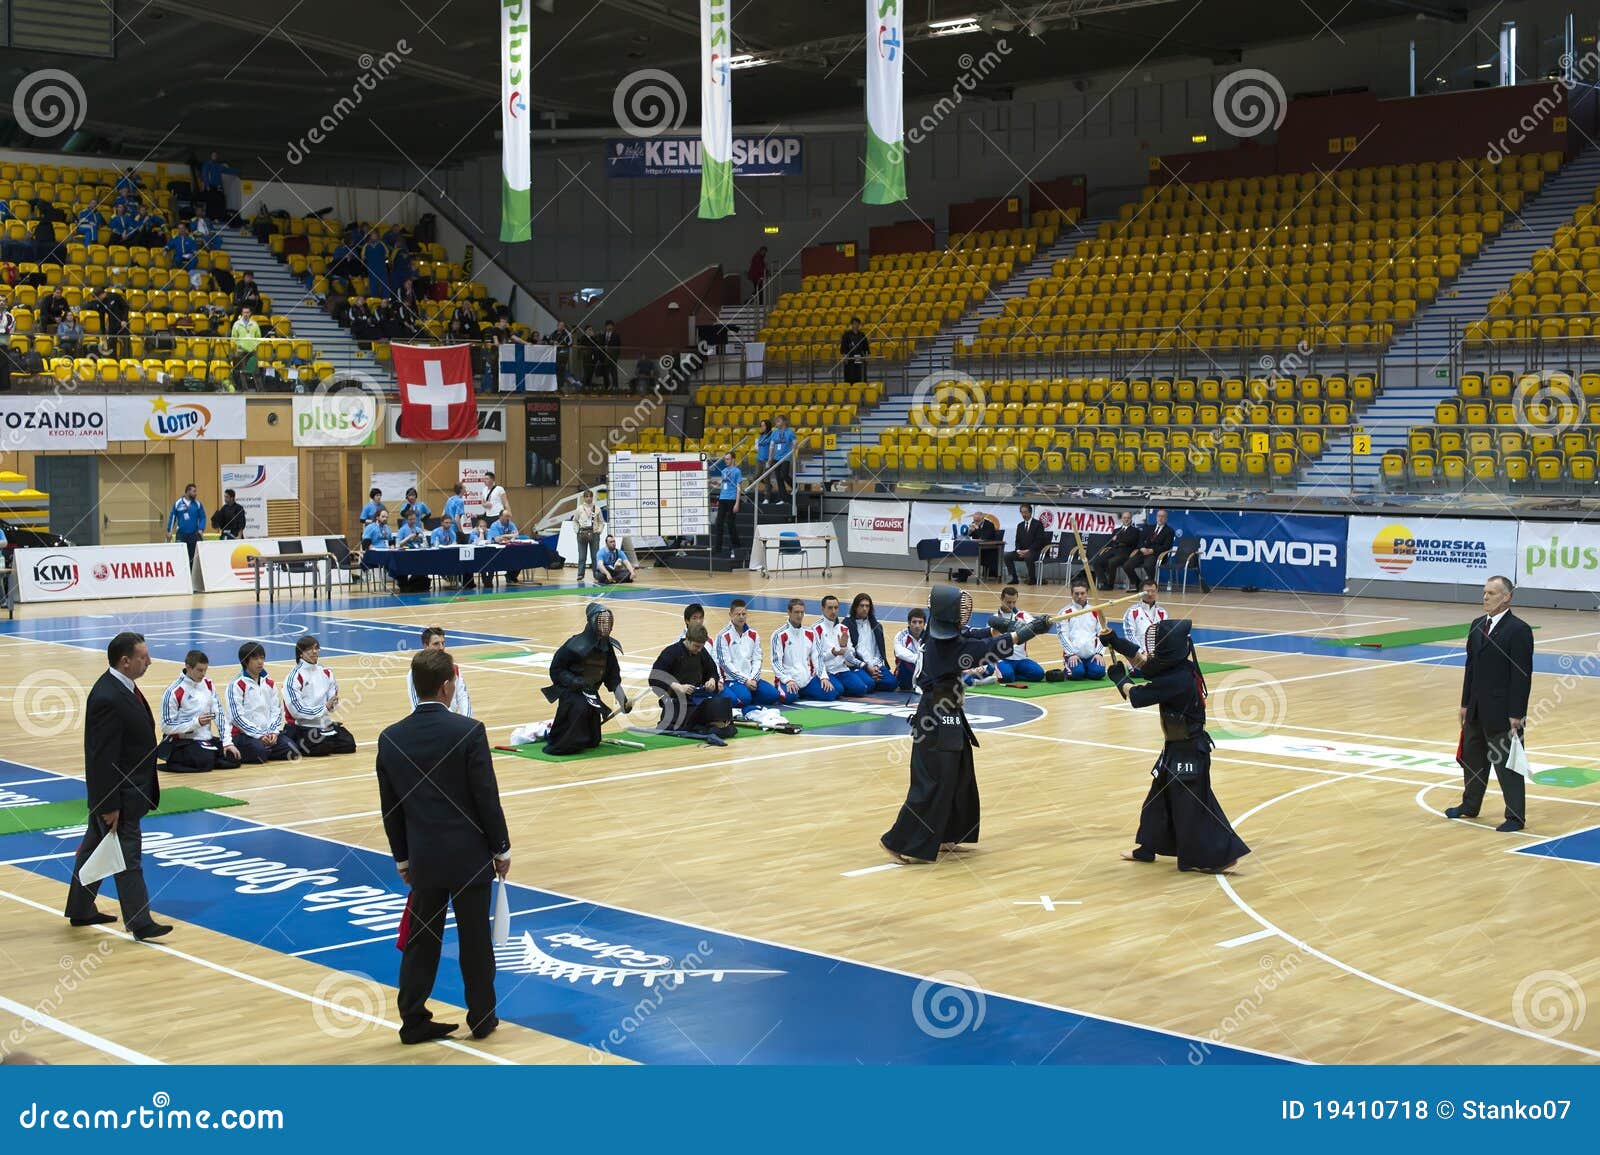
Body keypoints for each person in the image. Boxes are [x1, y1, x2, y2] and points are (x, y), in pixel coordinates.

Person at [378, 647, 510, 1044]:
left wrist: (402, 857)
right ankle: (482, 1018)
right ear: (447, 685)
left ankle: (413, 1019)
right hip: (469, 857)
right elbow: (486, 796)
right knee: (475, 942)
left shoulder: (391, 738)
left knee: (421, 942)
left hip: (423, 857)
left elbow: (391, 808)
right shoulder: (469, 731)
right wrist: (500, 849)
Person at [880, 588, 1054, 864]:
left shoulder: (937, 634)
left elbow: (975, 635)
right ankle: (897, 841)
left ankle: (946, 835)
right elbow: (986, 649)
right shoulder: (949, 646)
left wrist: (1005, 625)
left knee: (959, 775)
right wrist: (1026, 632)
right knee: (934, 781)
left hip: (949, 712)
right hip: (936, 717)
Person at [1104, 619, 1249, 874]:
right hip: (1176, 747)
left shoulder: (1177, 679)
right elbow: (1146, 666)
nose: (1152, 652)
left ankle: (1217, 857)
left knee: (1194, 807)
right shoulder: (1180, 666)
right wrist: (1116, 642)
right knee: (1157, 800)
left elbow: (1138, 697)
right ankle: (1146, 849)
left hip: (1189, 751)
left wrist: (1120, 679)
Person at [63, 632, 173, 941]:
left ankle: (80, 908)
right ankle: (140, 922)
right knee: (128, 857)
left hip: (127, 790)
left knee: (92, 849)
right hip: (119, 796)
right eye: (143, 657)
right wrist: (108, 805)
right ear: (125, 661)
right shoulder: (108, 697)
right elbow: (101, 759)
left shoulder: (122, 687)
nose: (149, 661)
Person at [1447, 575, 1535, 832]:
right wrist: (1464, 703)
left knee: (1508, 765)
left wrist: (1517, 713)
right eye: (1484, 592)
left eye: (1492, 593)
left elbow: (1522, 674)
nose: (1485, 597)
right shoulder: (1476, 626)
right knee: (1473, 761)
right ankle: (1470, 806)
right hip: (1475, 708)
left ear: (1506, 597)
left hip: (1502, 711)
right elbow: (1470, 667)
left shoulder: (1518, 630)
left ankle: (1515, 817)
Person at [540, 603, 632, 755]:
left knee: (593, 740)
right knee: (580, 707)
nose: (605, 626)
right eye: (601, 622)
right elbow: (556, 669)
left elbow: (613, 676)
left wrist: (622, 700)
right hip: (571, 692)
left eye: (608, 623)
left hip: (591, 693)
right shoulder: (574, 644)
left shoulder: (608, 647)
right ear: (592, 622)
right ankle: (565, 741)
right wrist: (574, 681)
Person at [160, 649, 242, 772]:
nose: (203, 674)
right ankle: (175, 759)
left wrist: (227, 742)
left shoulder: (208, 684)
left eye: (205, 670)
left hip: (205, 738)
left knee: (233, 757)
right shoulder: (174, 691)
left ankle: (208, 755)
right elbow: (166, 726)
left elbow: (219, 713)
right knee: (205, 760)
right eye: (199, 670)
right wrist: (196, 723)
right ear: (188, 667)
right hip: (183, 741)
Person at [651, 624, 737, 739]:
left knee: (723, 705)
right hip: (676, 701)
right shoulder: (671, 652)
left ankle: (714, 725)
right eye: (696, 646)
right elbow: (655, 676)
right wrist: (677, 686)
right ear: (688, 640)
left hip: (696, 698)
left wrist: (712, 680)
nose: (699, 650)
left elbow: (712, 671)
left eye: (701, 647)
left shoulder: (701, 652)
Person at [284, 636, 358, 757]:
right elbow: (297, 711)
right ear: (301, 654)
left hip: (324, 724)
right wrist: (324, 708)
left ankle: (322, 740)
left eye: (316, 648)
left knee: (349, 744)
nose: (314, 651)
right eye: (309, 649)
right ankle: (296, 741)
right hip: (303, 726)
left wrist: (332, 703)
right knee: (322, 747)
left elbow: (332, 701)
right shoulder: (294, 677)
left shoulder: (326, 672)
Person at [228, 641, 295, 762]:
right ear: (245, 661)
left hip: (267, 732)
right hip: (243, 735)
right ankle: (263, 750)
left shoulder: (269, 682)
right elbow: (236, 717)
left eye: (262, 658)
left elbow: (276, 710)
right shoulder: (236, 685)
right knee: (259, 752)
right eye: (255, 658)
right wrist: (259, 735)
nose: (260, 662)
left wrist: (273, 732)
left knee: (292, 749)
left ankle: (266, 749)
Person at [715, 599, 780, 709]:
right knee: (745, 699)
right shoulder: (723, 636)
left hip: (751, 678)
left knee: (773, 696)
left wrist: (753, 678)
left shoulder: (753, 634)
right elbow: (725, 664)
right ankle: (742, 695)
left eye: (743, 614)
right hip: (732, 679)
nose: (741, 617)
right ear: (730, 615)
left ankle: (747, 694)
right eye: (738, 614)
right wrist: (745, 680)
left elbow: (757, 659)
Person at [813, 594, 871, 696]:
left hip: (843, 669)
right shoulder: (816, 629)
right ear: (823, 609)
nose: (833, 611)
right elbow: (816, 657)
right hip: (827, 671)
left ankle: (843, 686)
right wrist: (833, 653)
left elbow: (850, 654)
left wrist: (845, 648)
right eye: (830, 608)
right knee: (837, 691)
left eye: (836, 608)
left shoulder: (843, 628)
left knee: (862, 689)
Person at [408, 627, 473, 717]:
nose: (441, 647)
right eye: (436, 644)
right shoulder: (416, 671)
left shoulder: (454, 668)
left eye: (443, 643)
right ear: (426, 646)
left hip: (451, 721)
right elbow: (416, 704)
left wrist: (467, 720)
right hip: (426, 721)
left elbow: (463, 698)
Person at [846, 593, 899, 692]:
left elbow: (879, 651)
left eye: (867, 606)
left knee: (892, 683)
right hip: (859, 666)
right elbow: (849, 655)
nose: (865, 609)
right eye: (862, 606)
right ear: (855, 607)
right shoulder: (846, 625)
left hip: (875, 665)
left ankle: (869, 681)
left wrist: (875, 667)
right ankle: (867, 681)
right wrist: (866, 667)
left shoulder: (877, 626)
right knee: (869, 684)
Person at [1056, 580, 1107, 680]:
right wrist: (1071, 654)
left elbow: (1103, 633)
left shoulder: (1096, 611)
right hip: (1073, 655)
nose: (1079, 596)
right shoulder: (1065, 612)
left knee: (1099, 673)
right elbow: (1062, 636)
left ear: (1087, 593)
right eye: (1076, 594)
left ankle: (1087, 668)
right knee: (1077, 674)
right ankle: (1073, 667)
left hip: (1091, 654)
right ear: (1071, 594)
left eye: (1082, 593)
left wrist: (1099, 653)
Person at [992, 587, 1047, 681]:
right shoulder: (995, 618)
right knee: (1007, 677)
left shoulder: (1023, 615)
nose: (1011, 605)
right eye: (1008, 602)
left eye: (1014, 602)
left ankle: (1014, 675)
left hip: (1021, 659)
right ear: (1001, 599)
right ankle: (1010, 674)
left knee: (1039, 674)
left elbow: (1037, 626)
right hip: (1003, 659)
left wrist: (1045, 622)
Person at [769, 598, 816, 705]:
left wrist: (823, 677)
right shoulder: (779, 635)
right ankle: (781, 688)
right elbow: (776, 662)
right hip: (787, 679)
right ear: (789, 612)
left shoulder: (810, 633)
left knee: (830, 694)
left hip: (807, 680)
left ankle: (802, 691)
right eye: (796, 612)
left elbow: (817, 657)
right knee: (789, 698)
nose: (799, 615)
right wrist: (787, 680)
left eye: (802, 612)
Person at [1123, 509, 1174, 590]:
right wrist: (1142, 548)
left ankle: (1151, 586)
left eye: (1162, 516)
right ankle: (1139, 584)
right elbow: (1140, 540)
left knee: (1148, 565)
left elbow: (1167, 546)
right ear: (1156, 517)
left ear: (1166, 518)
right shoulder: (1149, 528)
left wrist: (1152, 550)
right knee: (1127, 566)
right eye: (1159, 516)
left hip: (1156, 554)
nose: (1160, 518)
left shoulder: (1169, 531)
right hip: (1143, 552)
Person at [1094, 512, 1141, 591]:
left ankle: (1110, 585)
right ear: (1122, 519)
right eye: (1124, 518)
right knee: (1096, 561)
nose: (1126, 519)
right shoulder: (1116, 530)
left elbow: (1131, 541)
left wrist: (1118, 539)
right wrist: (1119, 540)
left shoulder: (1135, 530)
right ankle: (1104, 582)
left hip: (1125, 552)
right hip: (1114, 550)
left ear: (1131, 519)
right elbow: (1111, 541)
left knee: (1112, 562)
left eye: (1128, 518)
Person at [1004, 503, 1048, 586]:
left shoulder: (1038, 524)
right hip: (1022, 551)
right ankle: (1014, 578)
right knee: (1007, 556)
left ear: (1030, 512)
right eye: (1022, 512)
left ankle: (1032, 579)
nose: (1024, 514)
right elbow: (1017, 541)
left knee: (1029, 556)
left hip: (1035, 551)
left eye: (1025, 512)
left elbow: (1039, 541)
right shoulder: (1020, 525)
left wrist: (1028, 550)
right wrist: (1018, 550)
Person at [710, 452, 742, 557]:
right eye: (725, 459)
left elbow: (738, 488)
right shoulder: (723, 471)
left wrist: (737, 503)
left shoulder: (737, 472)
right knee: (719, 523)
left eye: (728, 459)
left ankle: (736, 545)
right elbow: (723, 485)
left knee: (730, 523)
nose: (726, 461)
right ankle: (717, 548)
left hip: (732, 499)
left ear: (733, 459)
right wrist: (714, 484)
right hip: (723, 498)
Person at [1123, 580, 1167, 653]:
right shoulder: (1132, 612)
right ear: (1140, 593)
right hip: (1138, 656)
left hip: (1158, 656)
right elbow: (1129, 636)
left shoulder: (1162, 613)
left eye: (1153, 591)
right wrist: (1142, 652)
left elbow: (1165, 636)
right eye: (1147, 591)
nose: (1150, 594)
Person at [167, 483, 206, 562]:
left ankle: (192, 574)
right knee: (180, 556)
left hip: (193, 534)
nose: (196, 493)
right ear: (188, 491)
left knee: (193, 557)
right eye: (194, 491)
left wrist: (201, 529)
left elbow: (203, 517)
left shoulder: (198, 504)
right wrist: (169, 531)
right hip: (181, 534)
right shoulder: (178, 503)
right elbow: (172, 517)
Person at [893, 608, 927, 692]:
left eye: (920, 622)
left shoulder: (929, 637)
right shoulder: (901, 635)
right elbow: (899, 653)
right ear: (909, 623)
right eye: (914, 622)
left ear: (924, 624)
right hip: (906, 672)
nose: (917, 625)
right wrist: (919, 660)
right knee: (905, 661)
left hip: (923, 671)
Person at [573, 488, 602, 581]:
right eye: (586, 496)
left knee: (595, 556)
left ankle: (596, 574)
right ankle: (580, 574)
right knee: (582, 556)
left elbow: (601, 522)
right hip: (582, 533)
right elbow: (575, 521)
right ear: (584, 498)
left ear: (593, 497)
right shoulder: (579, 509)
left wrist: (599, 531)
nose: (588, 498)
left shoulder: (597, 508)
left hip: (594, 534)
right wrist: (577, 530)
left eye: (590, 496)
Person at [229, 305, 261, 392]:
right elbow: (234, 337)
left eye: (247, 312)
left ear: (250, 313)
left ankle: (260, 390)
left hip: (252, 351)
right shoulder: (237, 324)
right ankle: (245, 389)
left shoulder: (254, 324)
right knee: (242, 371)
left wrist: (254, 345)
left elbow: (258, 337)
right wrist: (241, 344)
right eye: (244, 312)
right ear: (242, 313)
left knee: (255, 371)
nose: (246, 314)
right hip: (241, 351)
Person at [969, 513, 1003, 582]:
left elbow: (984, 538)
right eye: (974, 520)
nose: (975, 522)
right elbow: (967, 536)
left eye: (977, 521)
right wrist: (969, 531)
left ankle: (965, 573)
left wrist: (977, 529)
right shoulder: (974, 523)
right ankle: (963, 574)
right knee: (965, 552)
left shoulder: (989, 525)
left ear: (982, 519)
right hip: (976, 548)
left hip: (988, 550)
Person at [770, 414, 796, 499]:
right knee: (778, 479)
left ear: (784, 422)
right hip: (776, 458)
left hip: (785, 457)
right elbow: (772, 446)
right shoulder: (774, 433)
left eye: (778, 421)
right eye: (776, 422)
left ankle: (795, 486)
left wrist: (793, 450)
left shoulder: (790, 432)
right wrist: (770, 458)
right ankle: (783, 496)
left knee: (784, 475)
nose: (776, 423)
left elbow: (795, 443)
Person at [839, 316, 870, 384]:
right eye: (854, 323)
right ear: (851, 325)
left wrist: (866, 356)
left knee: (859, 373)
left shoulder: (862, 335)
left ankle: (860, 386)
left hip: (859, 357)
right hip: (850, 357)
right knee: (850, 374)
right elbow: (843, 347)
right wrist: (845, 356)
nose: (856, 325)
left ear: (859, 325)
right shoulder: (846, 335)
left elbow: (866, 347)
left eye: (857, 324)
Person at [755, 419, 775, 503]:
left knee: (766, 478)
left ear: (767, 426)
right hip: (759, 459)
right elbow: (757, 447)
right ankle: (769, 486)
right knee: (756, 477)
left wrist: (770, 460)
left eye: (763, 425)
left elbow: (772, 447)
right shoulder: (761, 436)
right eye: (761, 425)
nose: (762, 427)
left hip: (767, 460)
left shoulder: (772, 435)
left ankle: (767, 497)